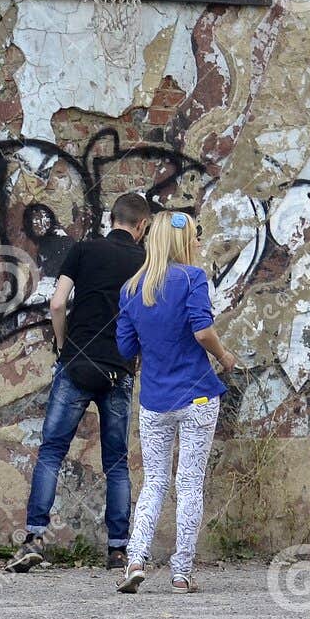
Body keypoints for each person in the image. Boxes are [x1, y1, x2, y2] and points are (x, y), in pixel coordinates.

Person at [6, 194, 151, 572]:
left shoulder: (84, 250)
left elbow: (56, 304)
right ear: (142, 226)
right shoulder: (145, 262)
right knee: (116, 462)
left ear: (112, 219)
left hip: (76, 363)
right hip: (118, 368)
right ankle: (119, 549)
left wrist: (62, 343)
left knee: (52, 451)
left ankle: (34, 538)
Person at [113, 211, 237, 594]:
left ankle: (135, 559)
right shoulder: (192, 278)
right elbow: (202, 330)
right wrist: (225, 357)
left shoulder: (132, 289)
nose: (199, 242)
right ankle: (181, 572)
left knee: (153, 482)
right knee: (189, 483)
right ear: (181, 242)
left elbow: (125, 347)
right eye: (196, 237)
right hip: (197, 394)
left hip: (154, 400)